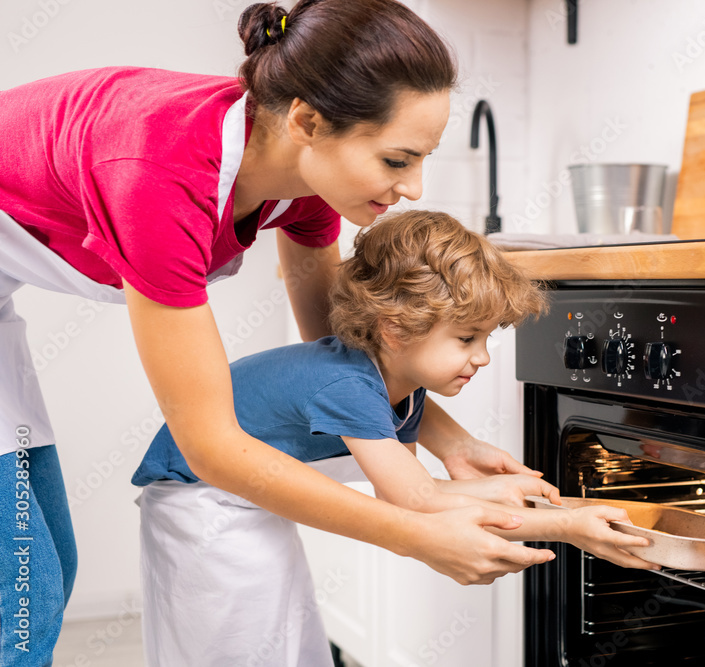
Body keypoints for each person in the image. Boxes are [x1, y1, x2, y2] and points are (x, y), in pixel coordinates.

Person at [0, 1, 547, 663]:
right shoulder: (160, 175)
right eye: (397, 159)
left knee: (44, 558)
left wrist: (451, 442)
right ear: (308, 121)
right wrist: (414, 534)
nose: (413, 186)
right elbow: (213, 448)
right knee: (21, 599)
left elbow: (345, 352)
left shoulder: (305, 177)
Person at [131, 210, 656, 666]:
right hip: (199, 504)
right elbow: (415, 500)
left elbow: (414, 487)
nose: (483, 357)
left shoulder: (398, 384)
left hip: (247, 498)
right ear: (394, 328)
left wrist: (499, 490)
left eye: (487, 338)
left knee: (287, 637)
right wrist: (565, 526)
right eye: (467, 338)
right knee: (230, 646)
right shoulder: (350, 385)